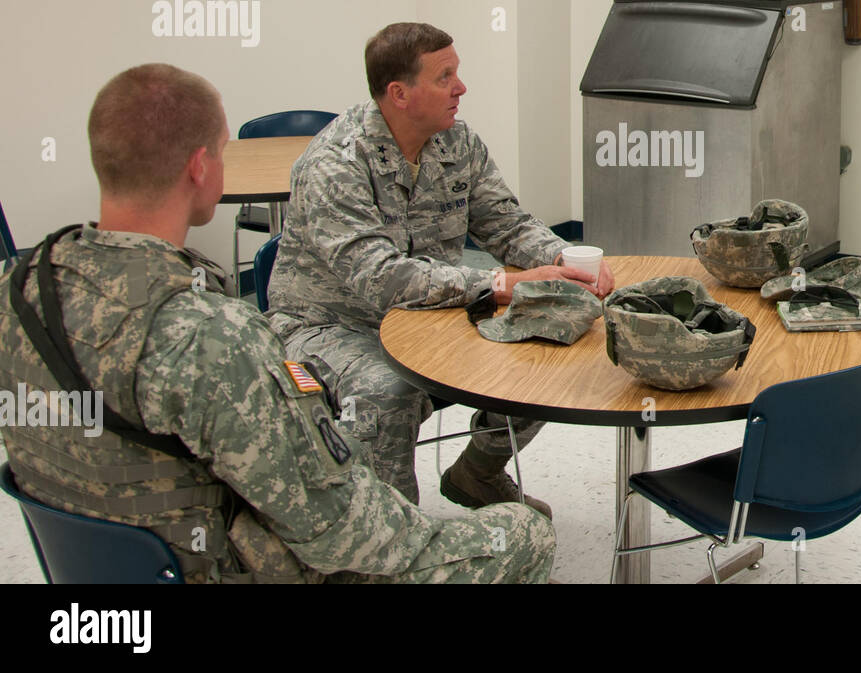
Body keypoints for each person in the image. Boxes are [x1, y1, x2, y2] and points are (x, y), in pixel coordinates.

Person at [0, 64, 554, 583]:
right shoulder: (215, 337)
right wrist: (442, 539)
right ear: (201, 167)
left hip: (104, 570)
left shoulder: (18, 288)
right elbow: (339, 531)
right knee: (525, 535)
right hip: (220, 567)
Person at [267, 22, 613, 513]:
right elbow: (382, 278)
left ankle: (478, 474)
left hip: (431, 312)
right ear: (399, 93)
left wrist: (561, 259)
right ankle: (398, 537)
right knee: (387, 391)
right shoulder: (335, 163)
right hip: (333, 324)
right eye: (444, 76)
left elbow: (506, 223)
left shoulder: (458, 144)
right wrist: (500, 284)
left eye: (458, 72)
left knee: (553, 339)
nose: (461, 87)